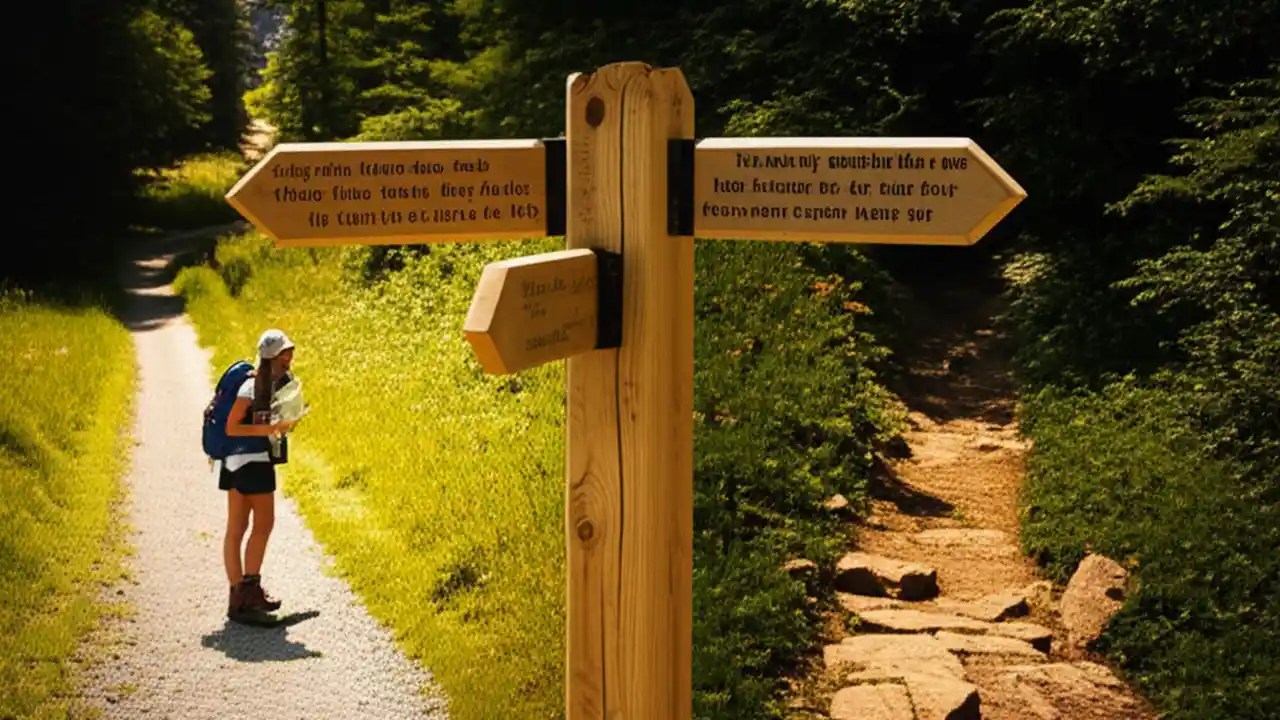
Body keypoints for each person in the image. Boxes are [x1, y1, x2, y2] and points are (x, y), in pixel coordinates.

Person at [219, 328, 301, 623]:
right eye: (285, 354)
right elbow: (231, 427)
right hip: (252, 462)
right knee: (263, 525)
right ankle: (249, 593)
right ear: (273, 357)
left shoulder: (270, 385)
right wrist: (269, 429)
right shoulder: (252, 386)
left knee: (237, 528)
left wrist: (285, 423)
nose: (289, 358)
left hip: (235, 462)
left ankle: (238, 598)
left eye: (290, 352)